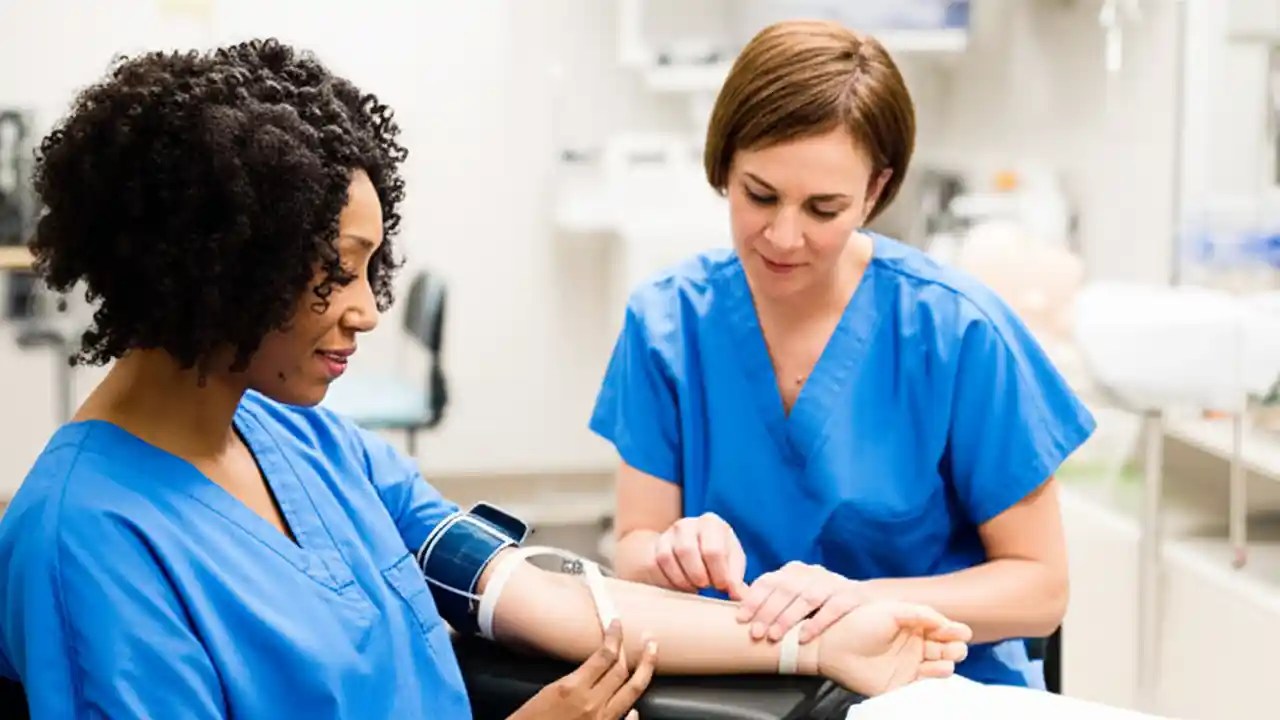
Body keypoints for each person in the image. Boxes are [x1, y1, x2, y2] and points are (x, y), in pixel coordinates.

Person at [0, 39, 973, 720]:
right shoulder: (89, 542)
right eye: (334, 269)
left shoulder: (302, 440)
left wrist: (817, 644)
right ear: (220, 260)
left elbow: (523, 589)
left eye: (368, 266)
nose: (368, 308)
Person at [593, 19, 1096, 689]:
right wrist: (672, 554)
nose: (783, 235)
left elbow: (1040, 590)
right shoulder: (667, 323)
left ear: (877, 191)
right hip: (741, 681)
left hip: (934, 687)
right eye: (759, 195)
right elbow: (633, 553)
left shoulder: (956, 332)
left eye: (824, 208)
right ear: (722, 167)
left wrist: (860, 602)